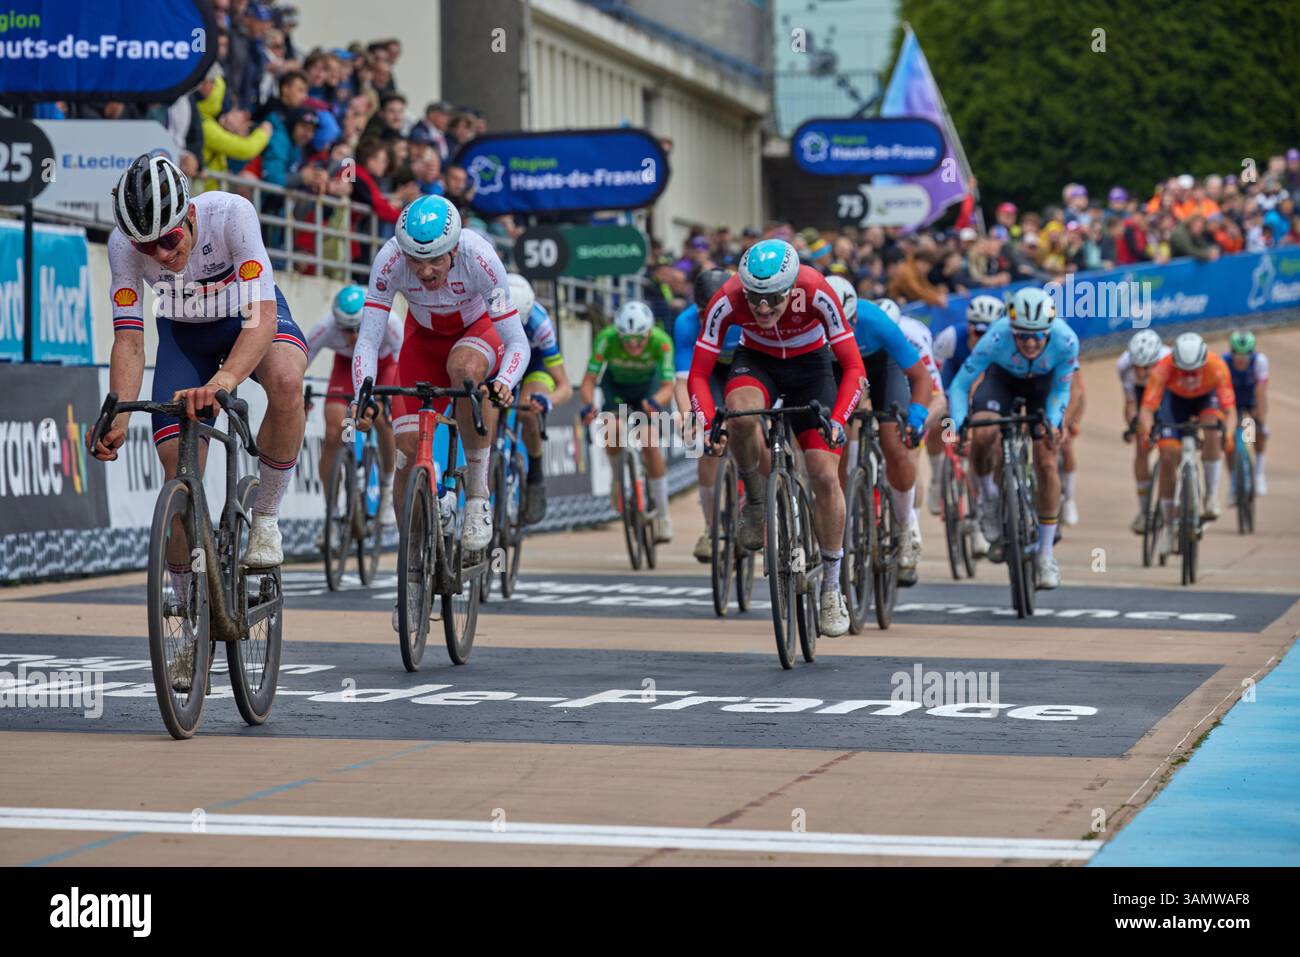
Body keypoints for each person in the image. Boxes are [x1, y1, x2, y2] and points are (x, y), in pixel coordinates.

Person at [91, 156, 307, 687]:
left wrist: (225, 382)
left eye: (167, 241)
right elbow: (130, 338)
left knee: (284, 381)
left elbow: (259, 322)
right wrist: (117, 407)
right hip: (184, 338)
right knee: (177, 474)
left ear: (189, 215)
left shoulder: (232, 215)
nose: (161, 256)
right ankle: (190, 621)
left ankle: (266, 517)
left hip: (247, 320)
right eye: (147, 248)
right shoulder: (126, 246)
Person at [349, 194, 530, 633]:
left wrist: (503, 381)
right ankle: (411, 573)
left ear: (454, 249)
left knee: (464, 371)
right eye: (416, 260)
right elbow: (370, 342)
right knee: (407, 458)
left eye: (434, 261)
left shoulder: (481, 258)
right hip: (422, 341)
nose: (425, 271)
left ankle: (478, 500)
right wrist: (363, 394)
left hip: (475, 333)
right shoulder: (389, 261)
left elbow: (518, 344)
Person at [688, 239, 866, 636]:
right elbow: (700, 374)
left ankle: (832, 589)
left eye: (772, 299)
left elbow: (854, 368)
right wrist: (706, 424)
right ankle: (755, 500)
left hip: (812, 369)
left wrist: (838, 420)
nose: (763, 308)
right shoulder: (727, 298)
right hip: (758, 362)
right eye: (754, 298)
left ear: (791, 289)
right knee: (739, 414)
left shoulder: (817, 290)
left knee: (823, 473)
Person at [948, 287, 1079, 590]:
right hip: (1002, 381)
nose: (1031, 342)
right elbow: (959, 385)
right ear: (1011, 329)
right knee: (982, 433)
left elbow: (1062, 390)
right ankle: (989, 499)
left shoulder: (1066, 340)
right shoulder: (995, 337)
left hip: (1043, 388)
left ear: (1049, 331)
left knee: (1046, 460)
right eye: (1022, 335)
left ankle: (1045, 555)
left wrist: (1054, 423)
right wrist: (957, 423)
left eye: (1037, 336)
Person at [823, 283, 932, 585]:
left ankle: (904, 526)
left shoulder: (876, 322)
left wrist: (916, 419)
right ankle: (838, 522)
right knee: (833, 441)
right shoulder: (809, 325)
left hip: (883, 367)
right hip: (836, 370)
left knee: (894, 444)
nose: (843, 329)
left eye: (849, 323)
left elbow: (920, 377)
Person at [305, 285, 403, 529]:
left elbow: (403, 363)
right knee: (333, 432)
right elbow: (298, 363)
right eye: (346, 330)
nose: (352, 336)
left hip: (383, 367)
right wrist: (300, 397)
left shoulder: (390, 322)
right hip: (346, 368)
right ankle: (333, 514)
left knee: (382, 419)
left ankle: (387, 487)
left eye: (358, 329)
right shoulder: (324, 327)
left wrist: (394, 401)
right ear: (336, 323)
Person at [579, 301, 677, 543]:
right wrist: (590, 405)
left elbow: (668, 386)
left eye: (639, 339)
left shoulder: (661, 341)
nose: (633, 345)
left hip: (647, 389)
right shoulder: (606, 338)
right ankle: (617, 479)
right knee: (611, 430)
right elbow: (589, 380)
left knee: (650, 442)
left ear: (649, 333)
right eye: (627, 339)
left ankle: (663, 516)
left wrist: (655, 402)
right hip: (617, 388)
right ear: (618, 334)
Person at [1137, 333, 1236, 557]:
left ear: (1203, 363)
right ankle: (1170, 524)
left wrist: (1228, 435)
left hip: (1205, 399)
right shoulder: (1163, 368)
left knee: (1213, 429)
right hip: (1175, 401)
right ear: (1174, 364)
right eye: (1184, 372)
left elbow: (1230, 410)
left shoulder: (1217, 367)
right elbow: (1147, 409)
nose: (1190, 378)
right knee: (1167, 455)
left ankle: (1210, 496)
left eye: (1194, 372)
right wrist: (1147, 433)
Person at [673, 268, 742, 562]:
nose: (709, 316)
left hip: (744, 366)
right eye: (704, 311)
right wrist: (689, 415)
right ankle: (710, 527)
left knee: (751, 426)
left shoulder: (743, 316)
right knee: (708, 444)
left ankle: (754, 502)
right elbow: (682, 380)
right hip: (708, 373)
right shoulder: (686, 323)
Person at [927, 294, 1002, 528]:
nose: (981, 339)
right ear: (969, 327)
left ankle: (985, 497)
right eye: (977, 332)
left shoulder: (1003, 343)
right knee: (944, 425)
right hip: (952, 386)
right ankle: (939, 478)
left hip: (985, 388)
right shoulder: (950, 337)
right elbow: (933, 375)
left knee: (985, 440)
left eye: (987, 333)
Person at [506, 273, 574, 525]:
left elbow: (564, 386)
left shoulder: (540, 324)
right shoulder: (485, 311)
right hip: (501, 359)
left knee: (527, 409)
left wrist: (547, 401)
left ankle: (535, 474)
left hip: (535, 365)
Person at [1118, 329, 1170, 533]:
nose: (1141, 372)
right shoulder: (1123, 366)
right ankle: (1144, 512)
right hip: (1143, 397)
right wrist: (1134, 425)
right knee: (1141, 448)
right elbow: (1130, 403)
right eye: (1137, 367)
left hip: (1168, 394)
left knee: (1170, 449)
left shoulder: (1170, 361)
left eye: (1147, 367)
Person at [1224, 329, 1269, 498]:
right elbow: (1221, 392)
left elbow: (1261, 392)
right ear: (1232, 352)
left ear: (1252, 352)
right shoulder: (1224, 362)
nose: (1241, 359)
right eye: (1237, 354)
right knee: (1228, 443)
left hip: (1251, 400)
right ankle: (1234, 484)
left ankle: (1259, 474)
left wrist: (1260, 419)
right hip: (1231, 400)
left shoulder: (1260, 361)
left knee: (1258, 432)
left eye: (1246, 355)